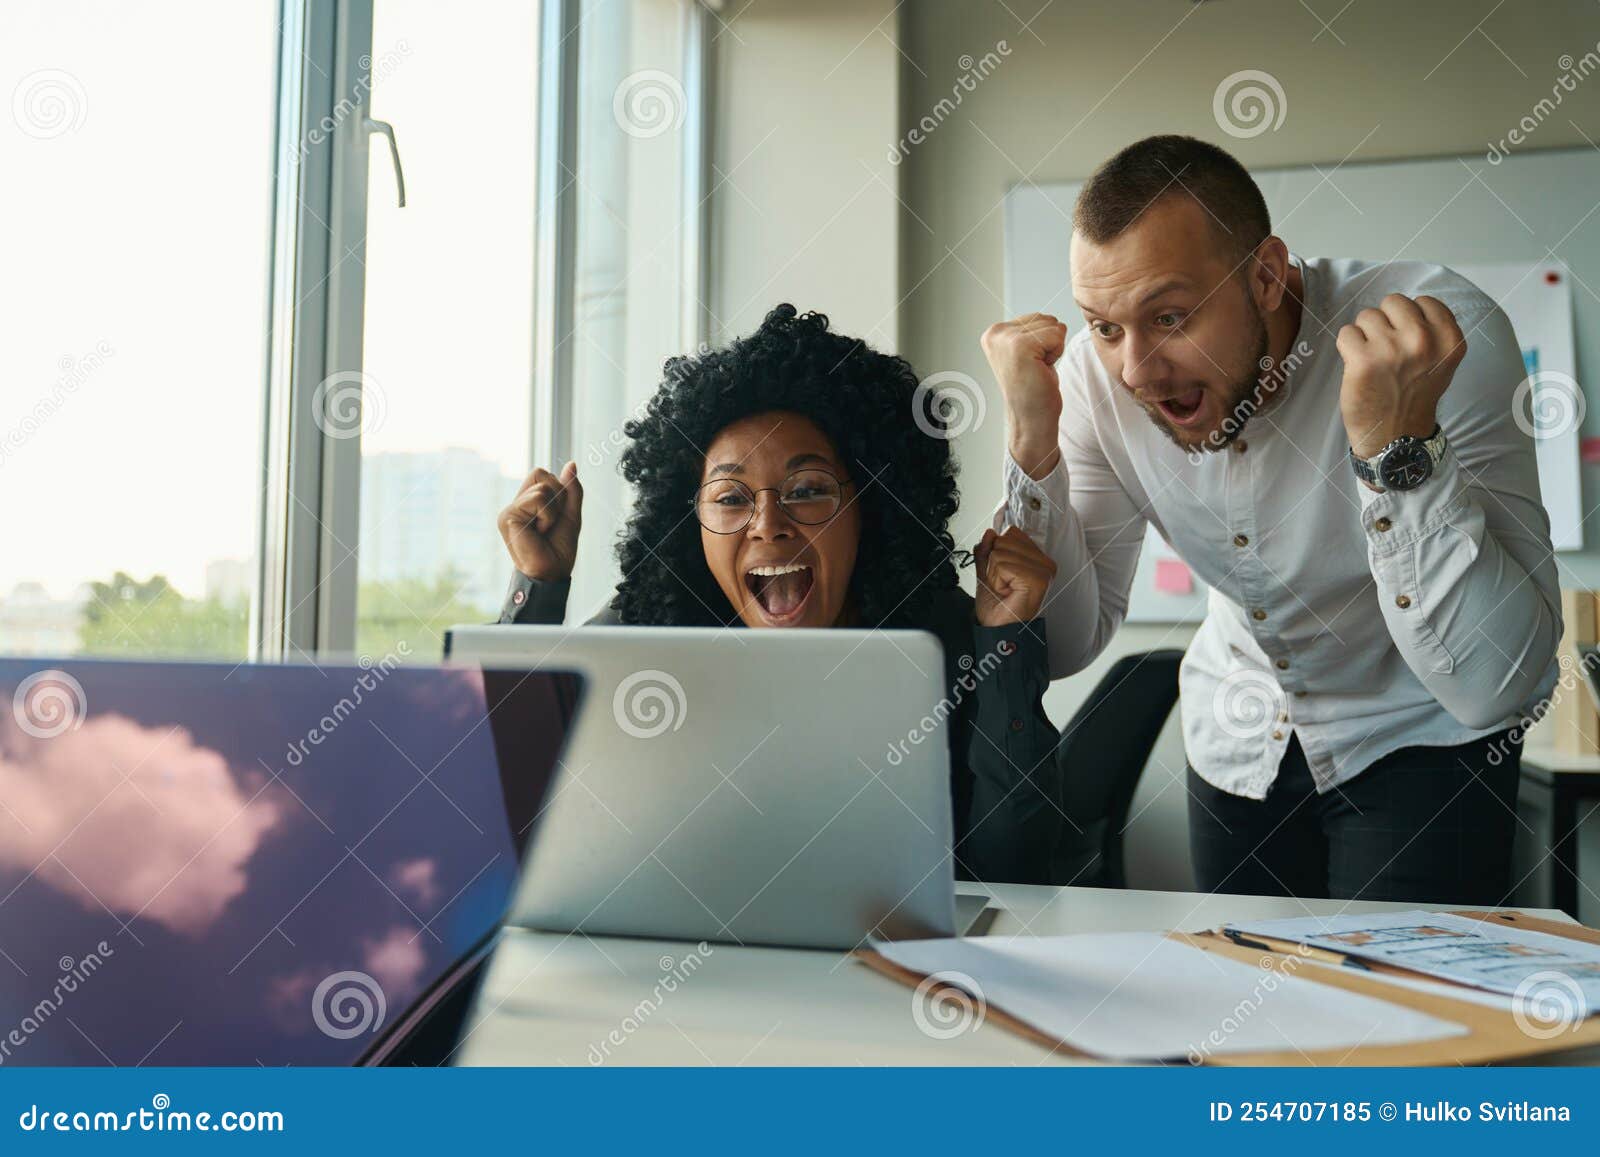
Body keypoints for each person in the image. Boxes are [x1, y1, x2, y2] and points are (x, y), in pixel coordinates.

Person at [982, 134, 1560, 905]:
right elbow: (1062, 646)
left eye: (1170, 316)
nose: (1136, 370)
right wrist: (1032, 448)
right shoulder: (1094, 378)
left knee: (1391, 988)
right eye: (1106, 326)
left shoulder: (1437, 337)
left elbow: (1499, 684)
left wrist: (1395, 448)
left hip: (1422, 736)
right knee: (1246, 982)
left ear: (1264, 276)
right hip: (1238, 744)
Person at [494, 304, 1065, 883]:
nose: (768, 525)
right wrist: (538, 588)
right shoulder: (648, 629)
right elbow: (496, 809)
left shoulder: (943, 637)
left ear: (868, 508)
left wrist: (1005, 641)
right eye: (730, 498)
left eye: (807, 490)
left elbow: (1015, 872)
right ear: (690, 523)